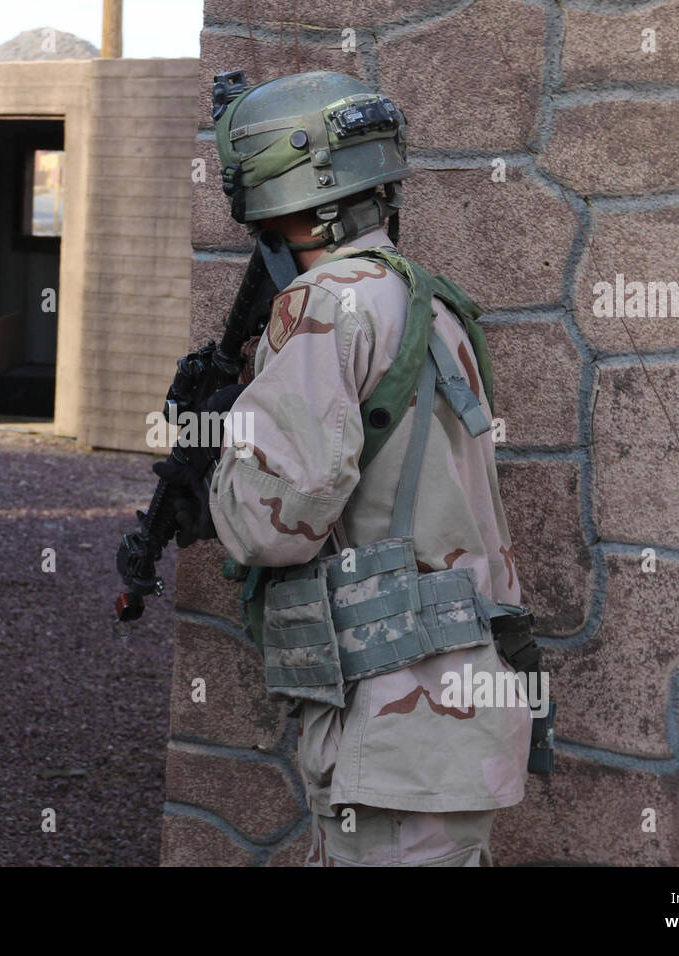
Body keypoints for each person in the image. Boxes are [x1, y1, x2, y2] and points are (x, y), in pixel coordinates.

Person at [158, 70, 532, 866]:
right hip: (448, 712)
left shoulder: (325, 304)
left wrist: (220, 466)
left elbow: (271, 526)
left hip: (401, 721)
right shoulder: (426, 299)